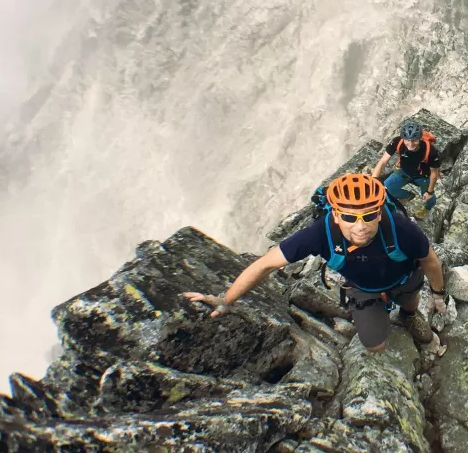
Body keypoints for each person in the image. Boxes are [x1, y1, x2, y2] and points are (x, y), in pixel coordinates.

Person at [183, 173, 447, 353]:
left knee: (410, 300)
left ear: (379, 211)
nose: (360, 226)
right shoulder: (320, 233)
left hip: (404, 279)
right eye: (349, 217)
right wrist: (227, 300)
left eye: (369, 216)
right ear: (335, 214)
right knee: (374, 346)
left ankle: (409, 316)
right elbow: (265, 264)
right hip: (363, 288)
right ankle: (389, 315)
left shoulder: (400, 227)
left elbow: (429, 260)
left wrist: (437, 295)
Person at [370, 119, 440, 212]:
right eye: (407, 140)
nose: (410, 144)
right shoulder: (397, 142)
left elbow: (434, 173)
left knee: (429, 198)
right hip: (404, 172)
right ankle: (408, 196)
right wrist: (373, 181)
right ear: (402, 138)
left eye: (414, 140)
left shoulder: (430, 151)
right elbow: (383, 161)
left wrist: (430, 192)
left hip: (423, 177)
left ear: (420, 138)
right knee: (388, 187)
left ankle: (428, 208)